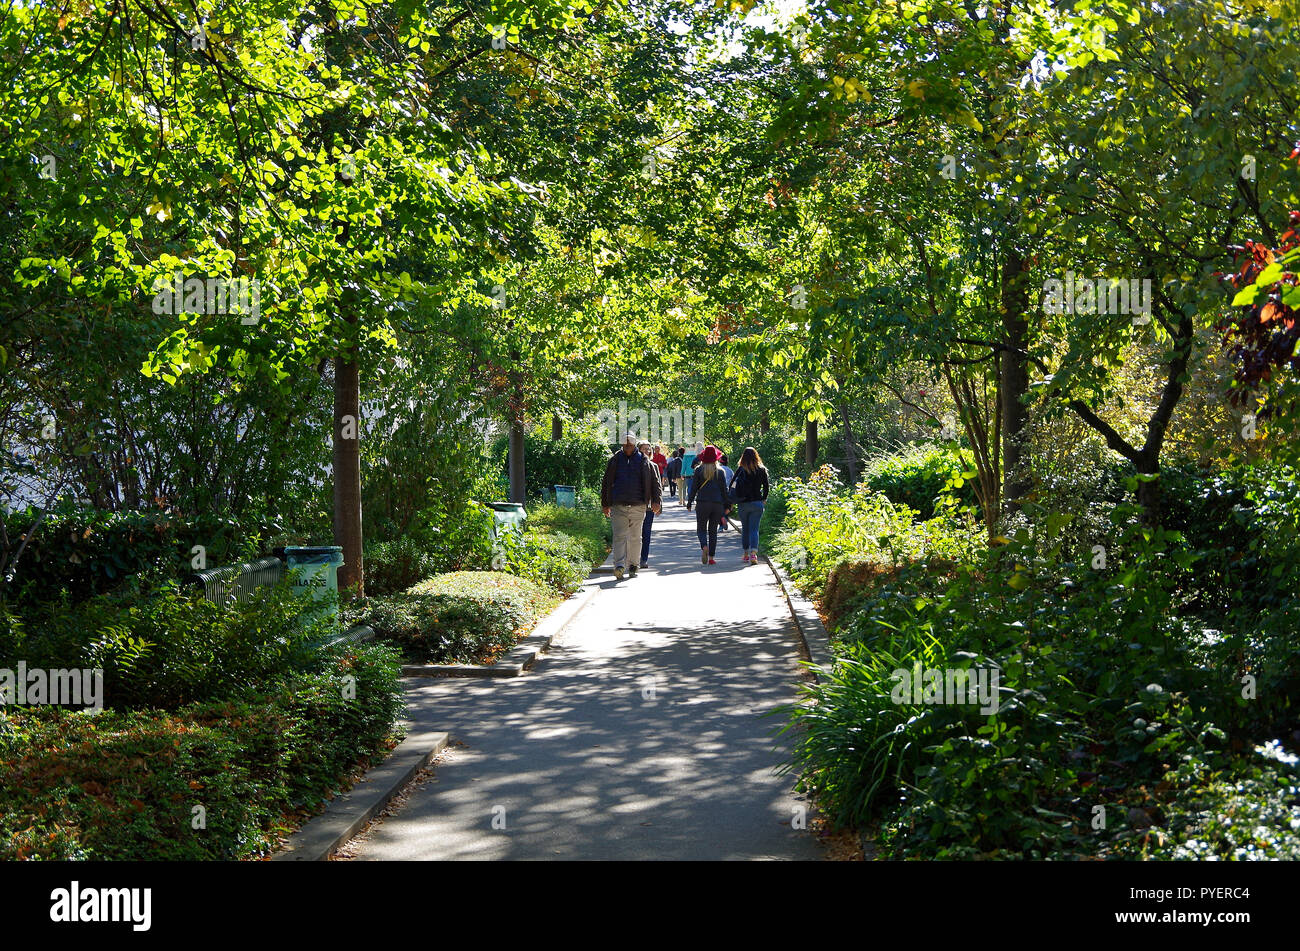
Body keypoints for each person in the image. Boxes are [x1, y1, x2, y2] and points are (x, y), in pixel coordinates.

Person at [601, 432, 662, 580]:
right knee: (619, 536)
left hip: (638, 505)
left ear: (634, 444)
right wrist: (605, 504)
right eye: (625, 442)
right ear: (622, 444)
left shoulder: (644, 460)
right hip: (618, 505)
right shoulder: (615, 460)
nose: (628, 445)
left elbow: (655, 482)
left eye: (630, 442)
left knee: (635, 537)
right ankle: (619, 566)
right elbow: (606, 482)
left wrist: (656, 501)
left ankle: (634, 565)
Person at [686, 445, 730, 565]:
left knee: (701, 529)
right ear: (716, 458)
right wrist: (727, 505)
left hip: (702, 503)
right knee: (713, 531)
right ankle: (711, 558)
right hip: (717, 504)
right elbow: (724, 491)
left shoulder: (698, 470)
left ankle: (704, 546)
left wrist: (689, 502)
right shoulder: (721, 471)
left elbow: (693, 488)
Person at [729, 446, 770, 564]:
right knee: (754, 529)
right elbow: (766, 486)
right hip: (757, 503)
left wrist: (732, 499)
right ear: (756, 456)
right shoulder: (761, 469)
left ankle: (746, 554)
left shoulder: (741, 469)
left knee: (745, 529)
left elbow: (732, 485)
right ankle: (753, 555)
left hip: (743, 504)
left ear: (743, 457)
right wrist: (764, 499)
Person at [638, 440, 657, 568]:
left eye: (649, 449)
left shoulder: (653, 466)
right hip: (635, 505)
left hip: (649, 507)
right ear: (638, 450)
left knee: (646, 534)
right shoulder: (633, 466)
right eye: (644, 449)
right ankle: (633, 558)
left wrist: (658, 503)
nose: (647, 451)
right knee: (634, 534)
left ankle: (643, 559)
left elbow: (657, 487)